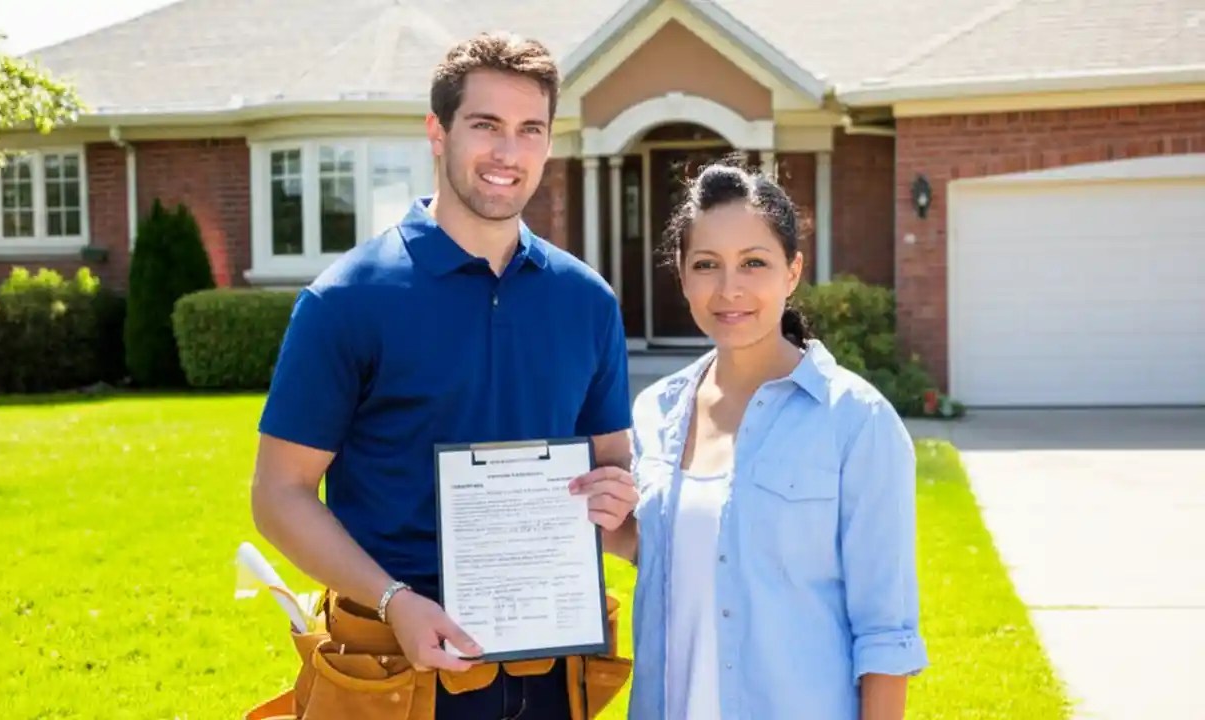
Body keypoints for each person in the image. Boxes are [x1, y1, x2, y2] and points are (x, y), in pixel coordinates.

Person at [250, 31, 638, 720]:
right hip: (394, 672)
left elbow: (613, 481)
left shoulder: (587, 302)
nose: (508, 154)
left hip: (551, 674)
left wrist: (617, 503)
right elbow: (280, 494)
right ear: (438, 131)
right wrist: (394, 600)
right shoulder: (347, 300)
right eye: (486, 126)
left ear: (549, 142)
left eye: (530, 130)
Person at [613, 158, 928, 719]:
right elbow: (692, 550)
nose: (729, 288)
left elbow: (886, 635)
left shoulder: (856, 422)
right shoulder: (655, 411)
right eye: (707, 264)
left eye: (753, 262)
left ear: (792, 271)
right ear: (682, 276)